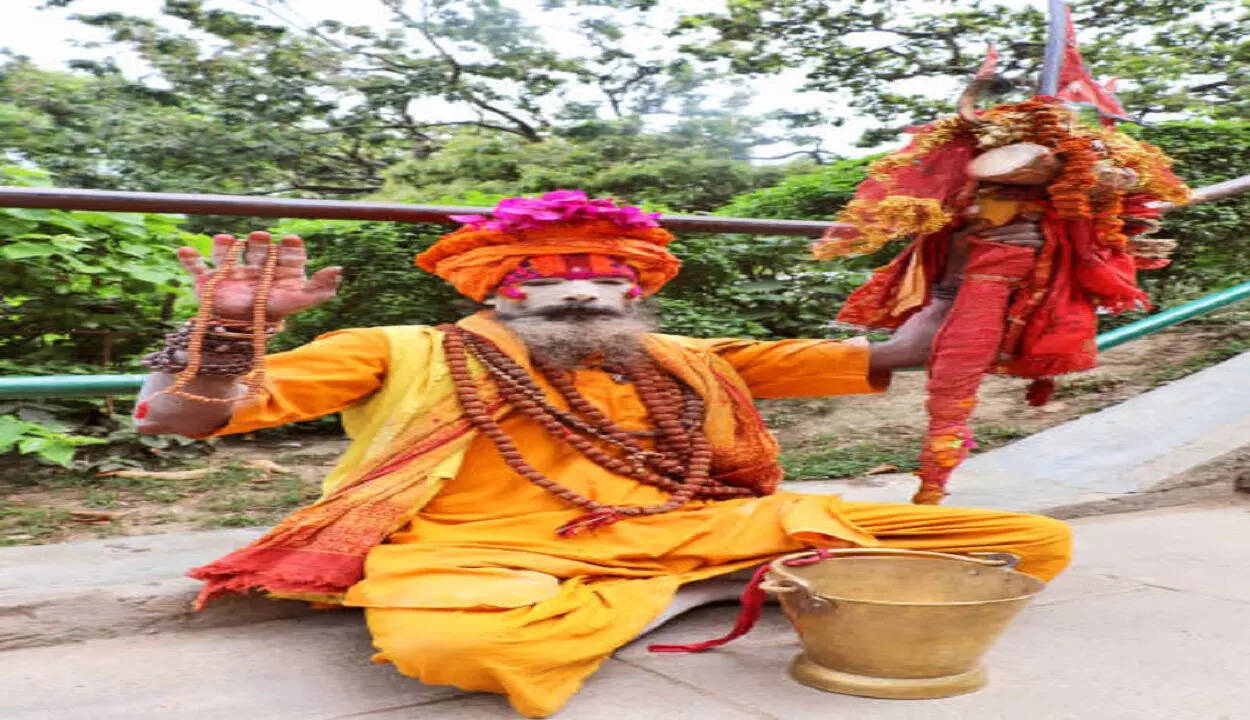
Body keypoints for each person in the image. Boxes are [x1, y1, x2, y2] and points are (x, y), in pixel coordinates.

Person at [135, 190, 1069, 718]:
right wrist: (223, 330)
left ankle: (667, 587)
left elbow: (907, 352)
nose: (580, 296)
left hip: (699, 528)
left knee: (1024, 541)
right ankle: (687, 593)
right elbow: (181, 419)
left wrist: (988, 255)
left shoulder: (687, 359)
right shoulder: (402, 350)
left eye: (603, 282)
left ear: (634, 296)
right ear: (501, 292)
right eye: (548, 282)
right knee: (457, 647)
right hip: (482, 553)